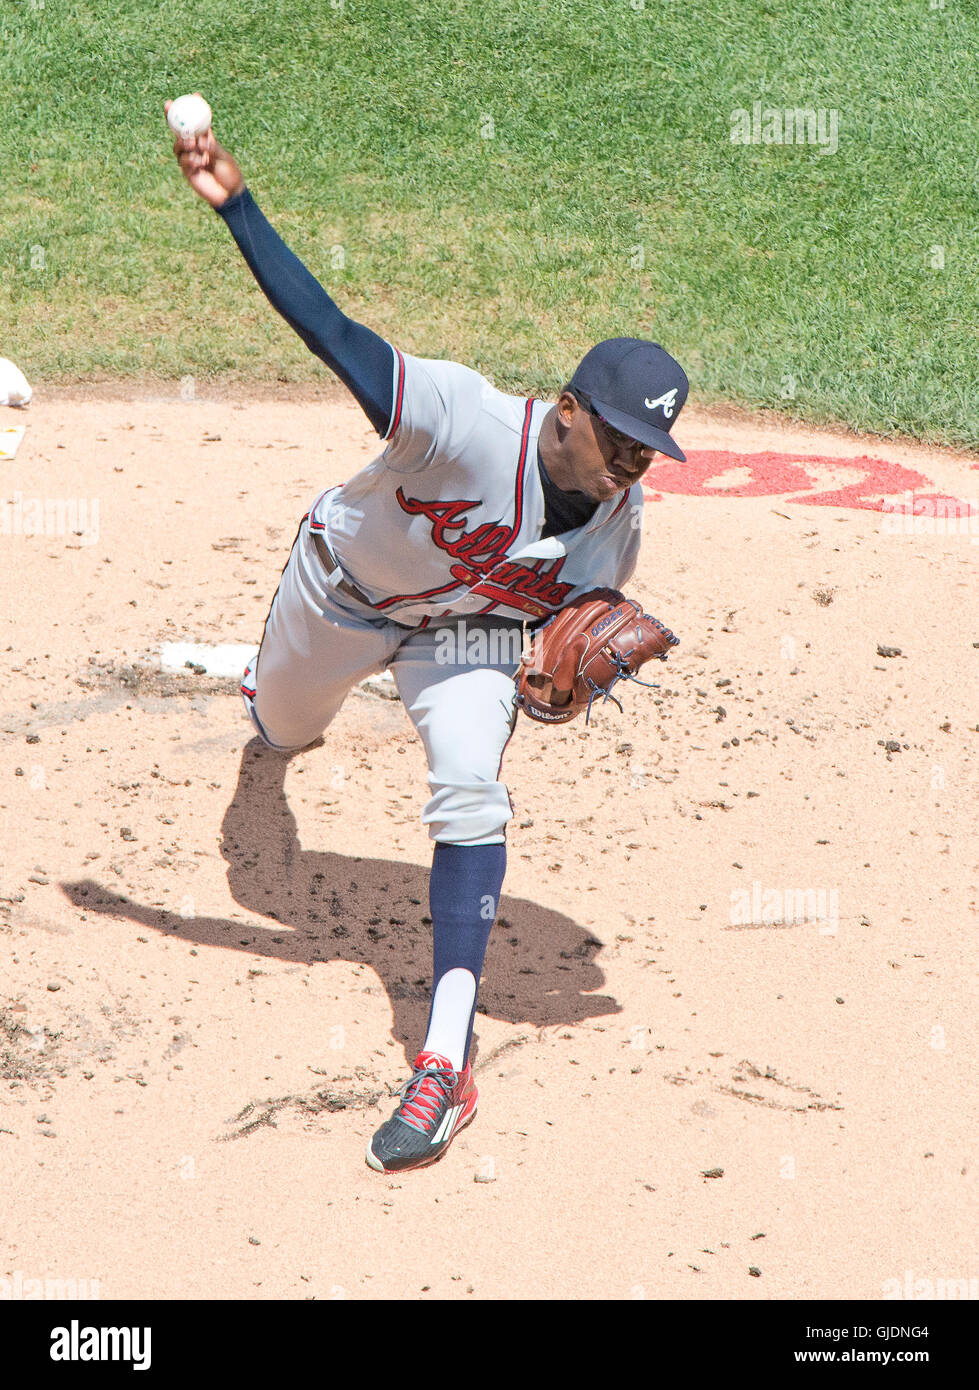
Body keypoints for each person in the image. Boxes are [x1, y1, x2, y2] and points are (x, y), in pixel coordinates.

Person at [167, 104, 689, 1173]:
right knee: (281, 725)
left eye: (653, 450)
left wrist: (551, 694)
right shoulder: (458, 417)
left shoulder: (619, 532)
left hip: (462, 641)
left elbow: (551, 640)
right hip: (342, 590)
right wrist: (239, 208)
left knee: (471, 789)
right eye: (625, 440)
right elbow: (337, 336)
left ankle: (444, 1068)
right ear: (573, 413)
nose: (636, 464)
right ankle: (270, 717)